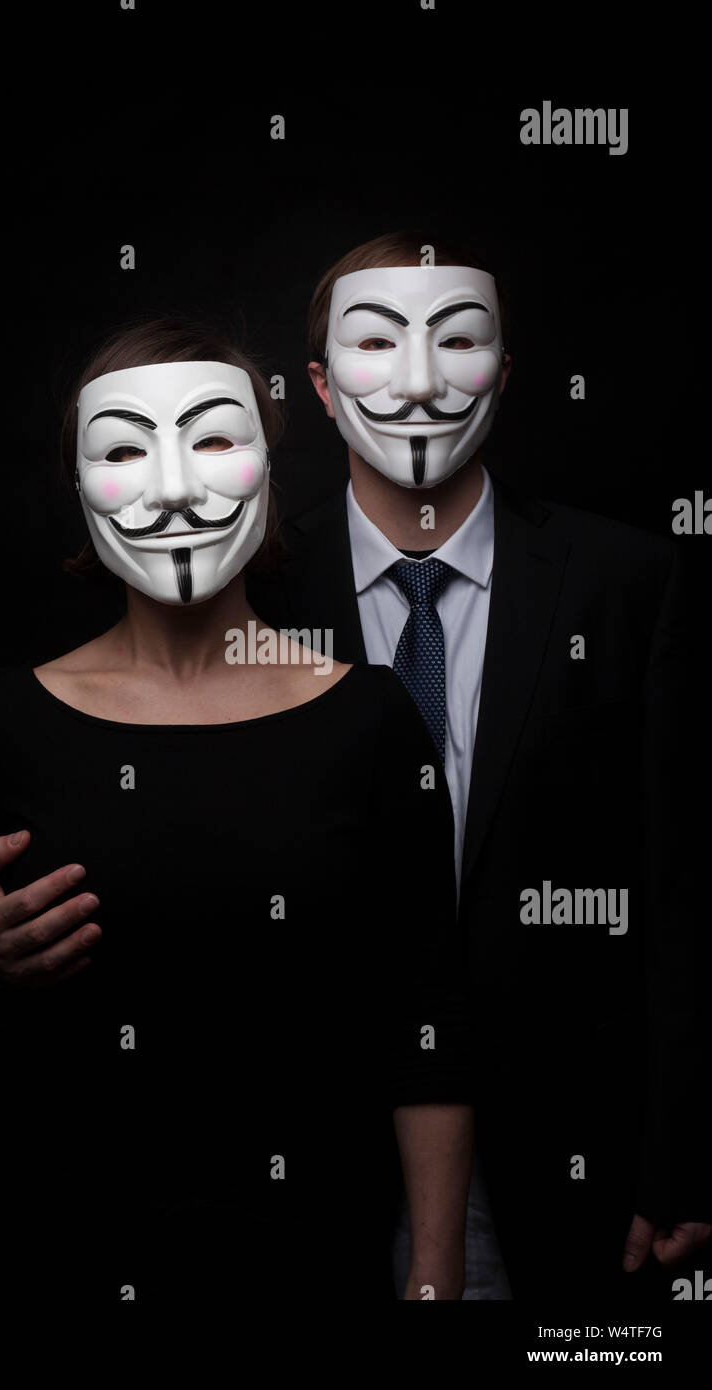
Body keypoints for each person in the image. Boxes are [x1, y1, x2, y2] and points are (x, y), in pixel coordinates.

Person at [0, 319, 472, 1302]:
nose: (176, 487)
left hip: (306, 1258)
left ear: (269, 473)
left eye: (213, 441)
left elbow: (426, 1009)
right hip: (47, 1250)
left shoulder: (367, 720)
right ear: (77, 484)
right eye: (124, 450)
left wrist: (434, 1276)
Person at [242, 232, 710, 1301]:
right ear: (319, 386)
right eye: (373, 345)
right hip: (308, 1146)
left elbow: (683, 889)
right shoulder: (251, 595)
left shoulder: (625, 584)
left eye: (456, 341)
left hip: (564, 1148)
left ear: (500, 371)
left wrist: (679, 1146)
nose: (416, 381)